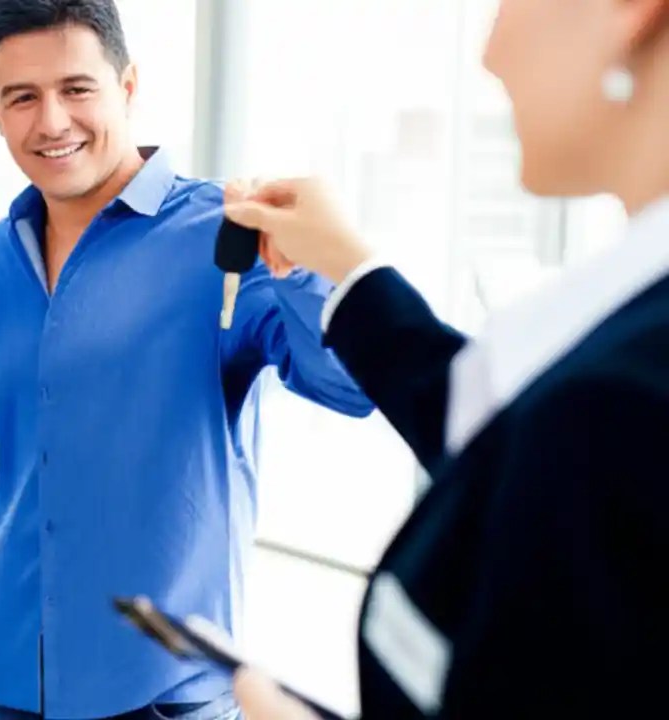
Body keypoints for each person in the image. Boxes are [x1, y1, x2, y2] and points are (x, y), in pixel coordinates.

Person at [227, 0, 669, 717]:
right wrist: (347, 263)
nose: (489, 51)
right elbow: (505, 439)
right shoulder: (617, 348)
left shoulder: (622, 403)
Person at [0, 1, 374, 718]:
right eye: (21, 97)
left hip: (165, 695)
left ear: (128, 84)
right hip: (13, 685)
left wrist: (306, 265)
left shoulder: (226, 237)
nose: (51, 120)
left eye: (76, 88)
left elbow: (351, 385)